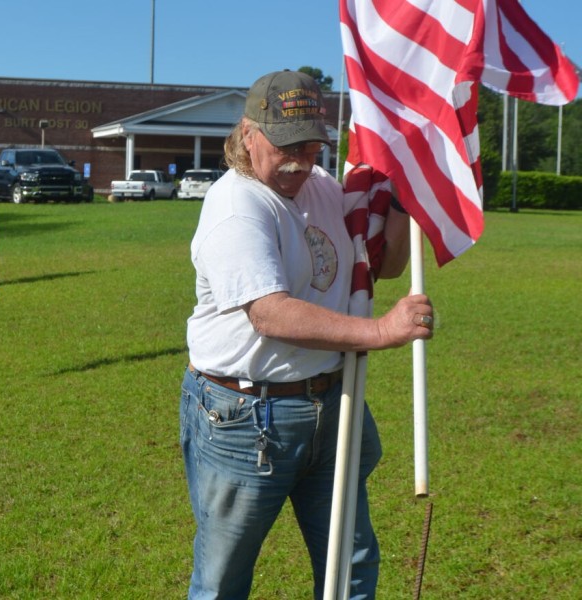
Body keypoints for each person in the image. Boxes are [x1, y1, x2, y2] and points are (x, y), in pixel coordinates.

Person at [179, 70, 434, 599]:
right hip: (245, 419)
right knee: (223, 578)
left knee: (351, 563)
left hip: (330, 403)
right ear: (248, 134)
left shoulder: (321, 188)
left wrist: (406, 202)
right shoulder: (235, 205)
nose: (301, 158)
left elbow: (379, 266)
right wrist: (381, 331)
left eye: (312, 144)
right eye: (286, 144)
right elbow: (271, 315)